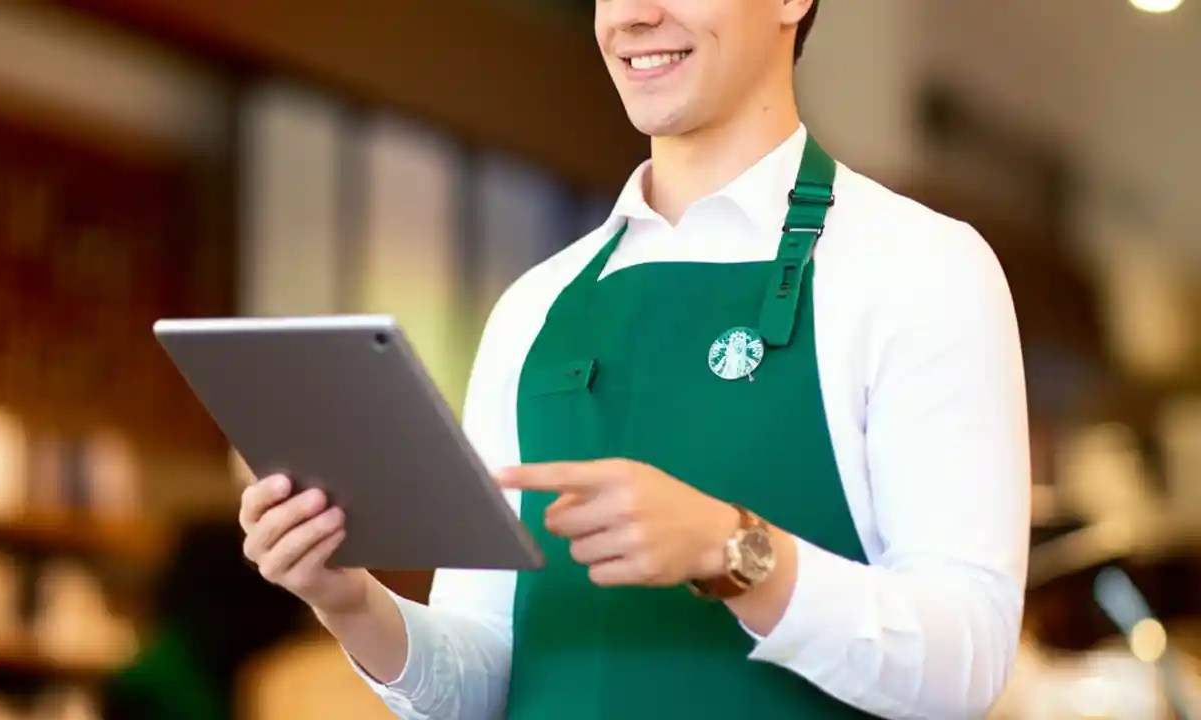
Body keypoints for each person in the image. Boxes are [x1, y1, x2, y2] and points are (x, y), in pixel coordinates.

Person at [237, 0, 1031, 717]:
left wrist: (731, 551)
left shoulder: (920, 268)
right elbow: (487, 681)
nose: (632, 16)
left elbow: (965, 664)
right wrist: (347, 601)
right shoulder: (534, 308)